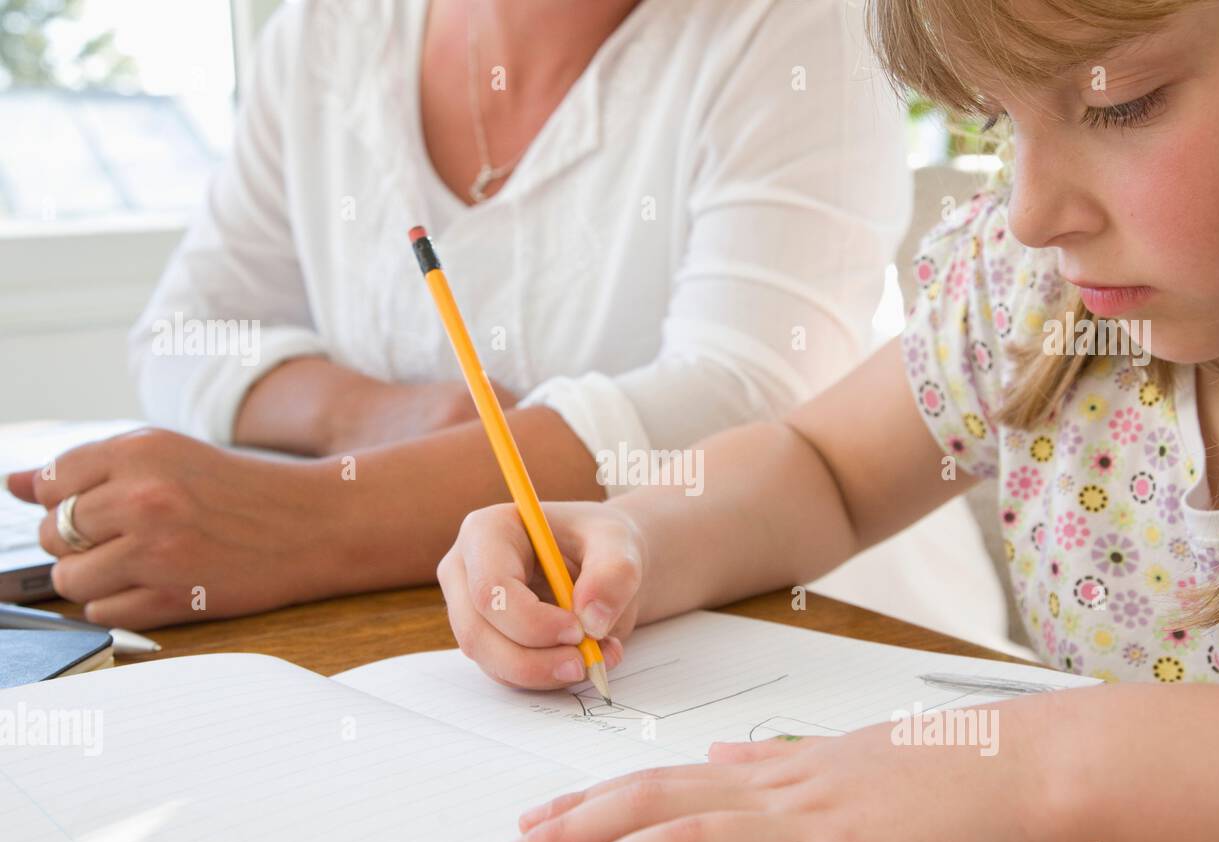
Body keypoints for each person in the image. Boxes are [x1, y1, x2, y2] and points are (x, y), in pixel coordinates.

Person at [437, 0, 1219, 842]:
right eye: (999, 120)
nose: (1030, 213)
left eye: (1119, 104)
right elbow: (823, 473)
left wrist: (1038, 778)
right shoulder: (1033, 299)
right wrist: (637, 534)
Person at [4, 0, 917, 629]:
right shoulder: (330, 32)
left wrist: (304, 523)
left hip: (784, 632)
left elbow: (741, 405)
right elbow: (186, 330)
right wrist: (376, 414)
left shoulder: (805, 31)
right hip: (429, 633)